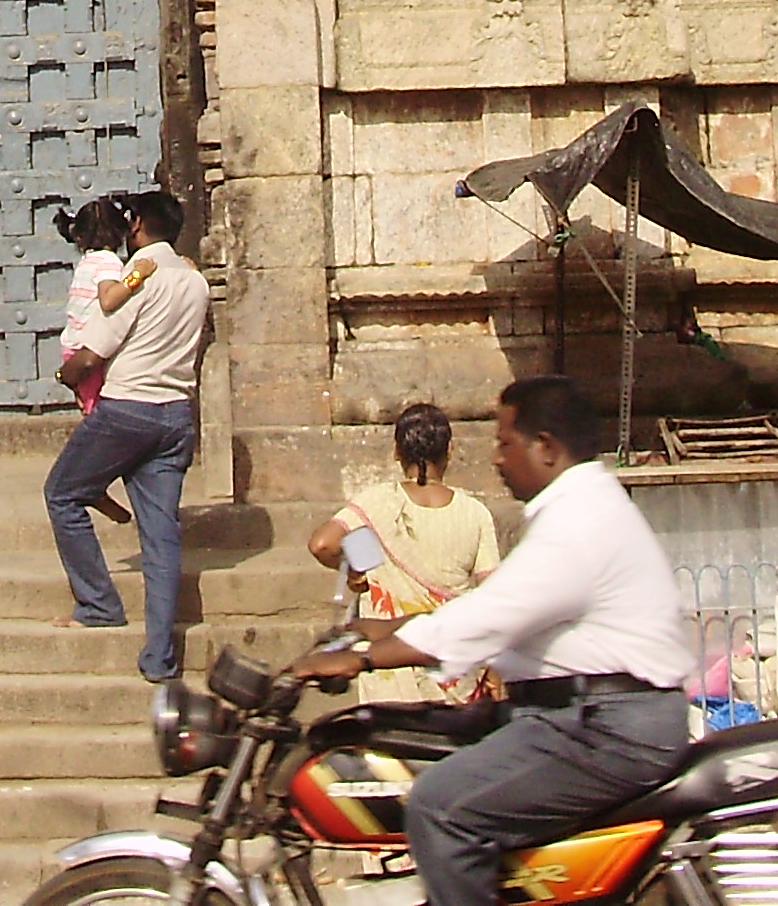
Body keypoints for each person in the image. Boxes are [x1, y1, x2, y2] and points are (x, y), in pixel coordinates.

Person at [288, 376, 693, 906]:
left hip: (602, 728)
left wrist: (364, 658)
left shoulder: (578, 521)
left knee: (439, 806)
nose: (498, 460)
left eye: (504, 443)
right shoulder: (573, 509)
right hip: (573, 715)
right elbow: (492, 605)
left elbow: (487, 616)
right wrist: (378, 629)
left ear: (544, 447)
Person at [45, 188, 212, 684]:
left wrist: (67, 377)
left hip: (127, 411)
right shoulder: (195, 280)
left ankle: (98, 602)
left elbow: (94, 351)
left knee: (62, 493)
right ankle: (159, 657)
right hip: (176, 415)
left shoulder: (138, 277)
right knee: (161, 536)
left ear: (137, 225)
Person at [308, 402, 506, 706]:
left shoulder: (376, 503)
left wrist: (354, 572)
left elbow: (322, 544)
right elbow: (494, 598)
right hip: (451, 672)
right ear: (449, 450)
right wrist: (494, 665)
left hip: (387, 672)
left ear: (397, 452)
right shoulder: (475, 513)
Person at [54, 194, 148, 524]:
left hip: (73, 350)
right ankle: (91, 483)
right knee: (105, 430)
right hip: (88, 354)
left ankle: (94, 484)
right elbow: (109, 300)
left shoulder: (87, 262)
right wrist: (139, 275)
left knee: (97, 423)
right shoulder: (109, 263)